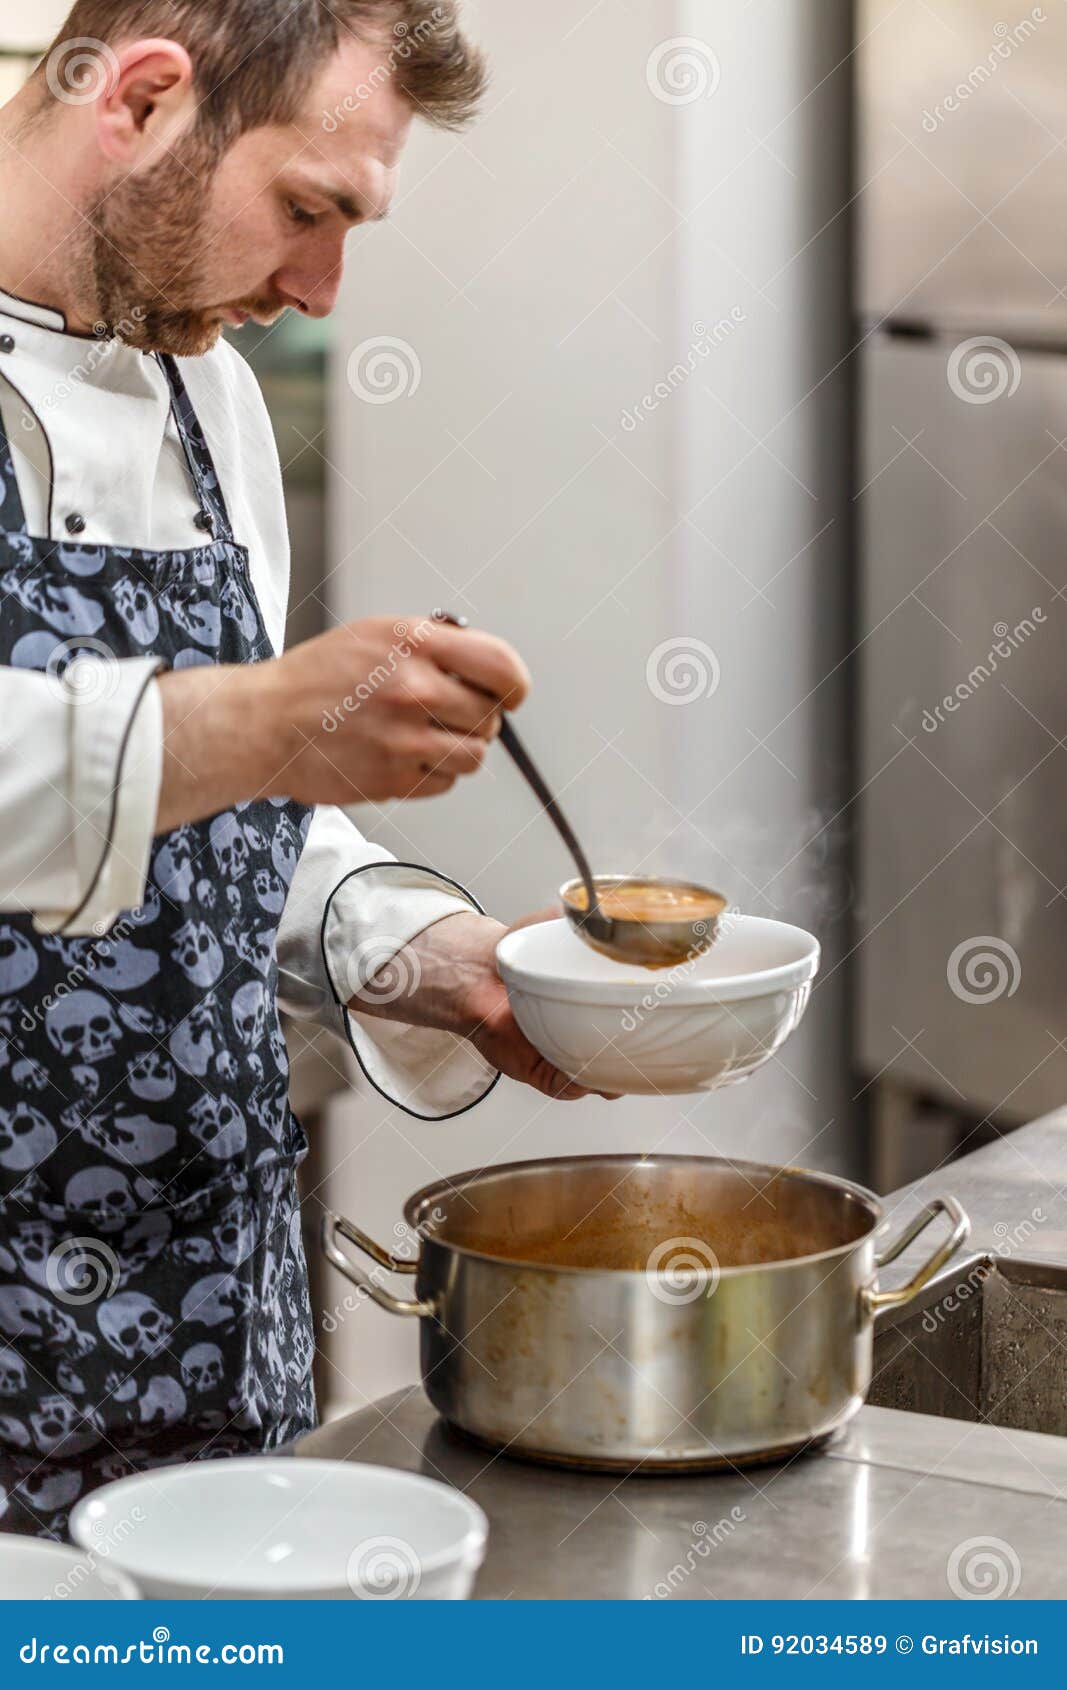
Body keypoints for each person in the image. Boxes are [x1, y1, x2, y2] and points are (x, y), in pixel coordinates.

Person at [0, 0, 606, 1540]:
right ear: (138, 99)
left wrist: (427, 951)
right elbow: (185, 752)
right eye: (306, 209)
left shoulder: (207, 390)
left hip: (211, 1352)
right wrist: (264, 721)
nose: (322, 286)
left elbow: (218, 830)